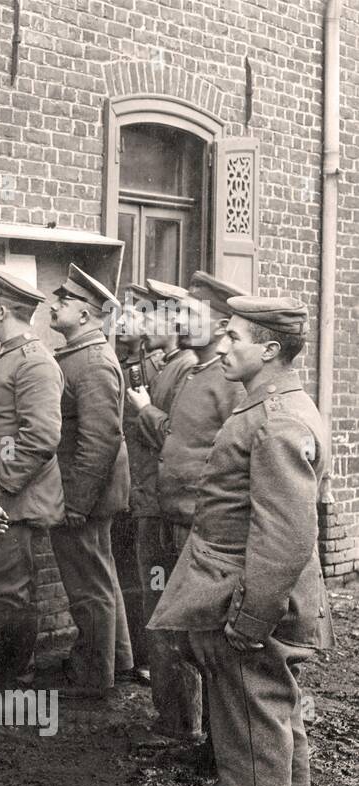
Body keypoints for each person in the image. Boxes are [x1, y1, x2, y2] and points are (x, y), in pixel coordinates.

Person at [149, 296, 331, 786]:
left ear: (271, 349)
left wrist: (249, 622)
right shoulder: (273, 408)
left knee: (249, 736)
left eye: (236, 339)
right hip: (252, 597)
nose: (222, 347)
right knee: (276, 726)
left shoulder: (274, 421)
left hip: (248, 603)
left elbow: (284, 538)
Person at [130, 272, 246, 740]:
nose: (178, 319)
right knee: (178, 629)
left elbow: (233, 458)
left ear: (220, 326)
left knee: (207, 639)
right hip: (173, 518)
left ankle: (215, 747)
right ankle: (186, 731)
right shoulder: (198, 373)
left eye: (190, 314)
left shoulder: (228, 380)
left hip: (202, 527)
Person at [0, 268, 64, 688]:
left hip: (15, 498)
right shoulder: (9, 354)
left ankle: (17, 674)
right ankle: (9, 663)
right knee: (2, 582)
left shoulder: (34, 362)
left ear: (3, 309)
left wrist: (0, 487)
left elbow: (42, 438)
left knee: (11, 587)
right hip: (5, 492)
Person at [47, 263, 133, 698]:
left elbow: (101, 439)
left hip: (87, 494)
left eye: (64, 301)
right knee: (100, 577)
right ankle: (114, 660)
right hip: (89, 492)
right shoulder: (79, 355)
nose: (53, 305)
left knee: (89, 585)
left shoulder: (94, 362)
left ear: (85, 315)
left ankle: (93, 677)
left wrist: (76, 502)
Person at [119, 282, 196, 700]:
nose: (141, 325)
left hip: (163, 506)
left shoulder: (183, 369)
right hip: (150, 498)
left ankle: (178, 716)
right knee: (155, 600)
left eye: (151, 316)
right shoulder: (169, 365)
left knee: (164, 603)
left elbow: (177, 438)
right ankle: (170, 711)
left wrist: (145, 408)